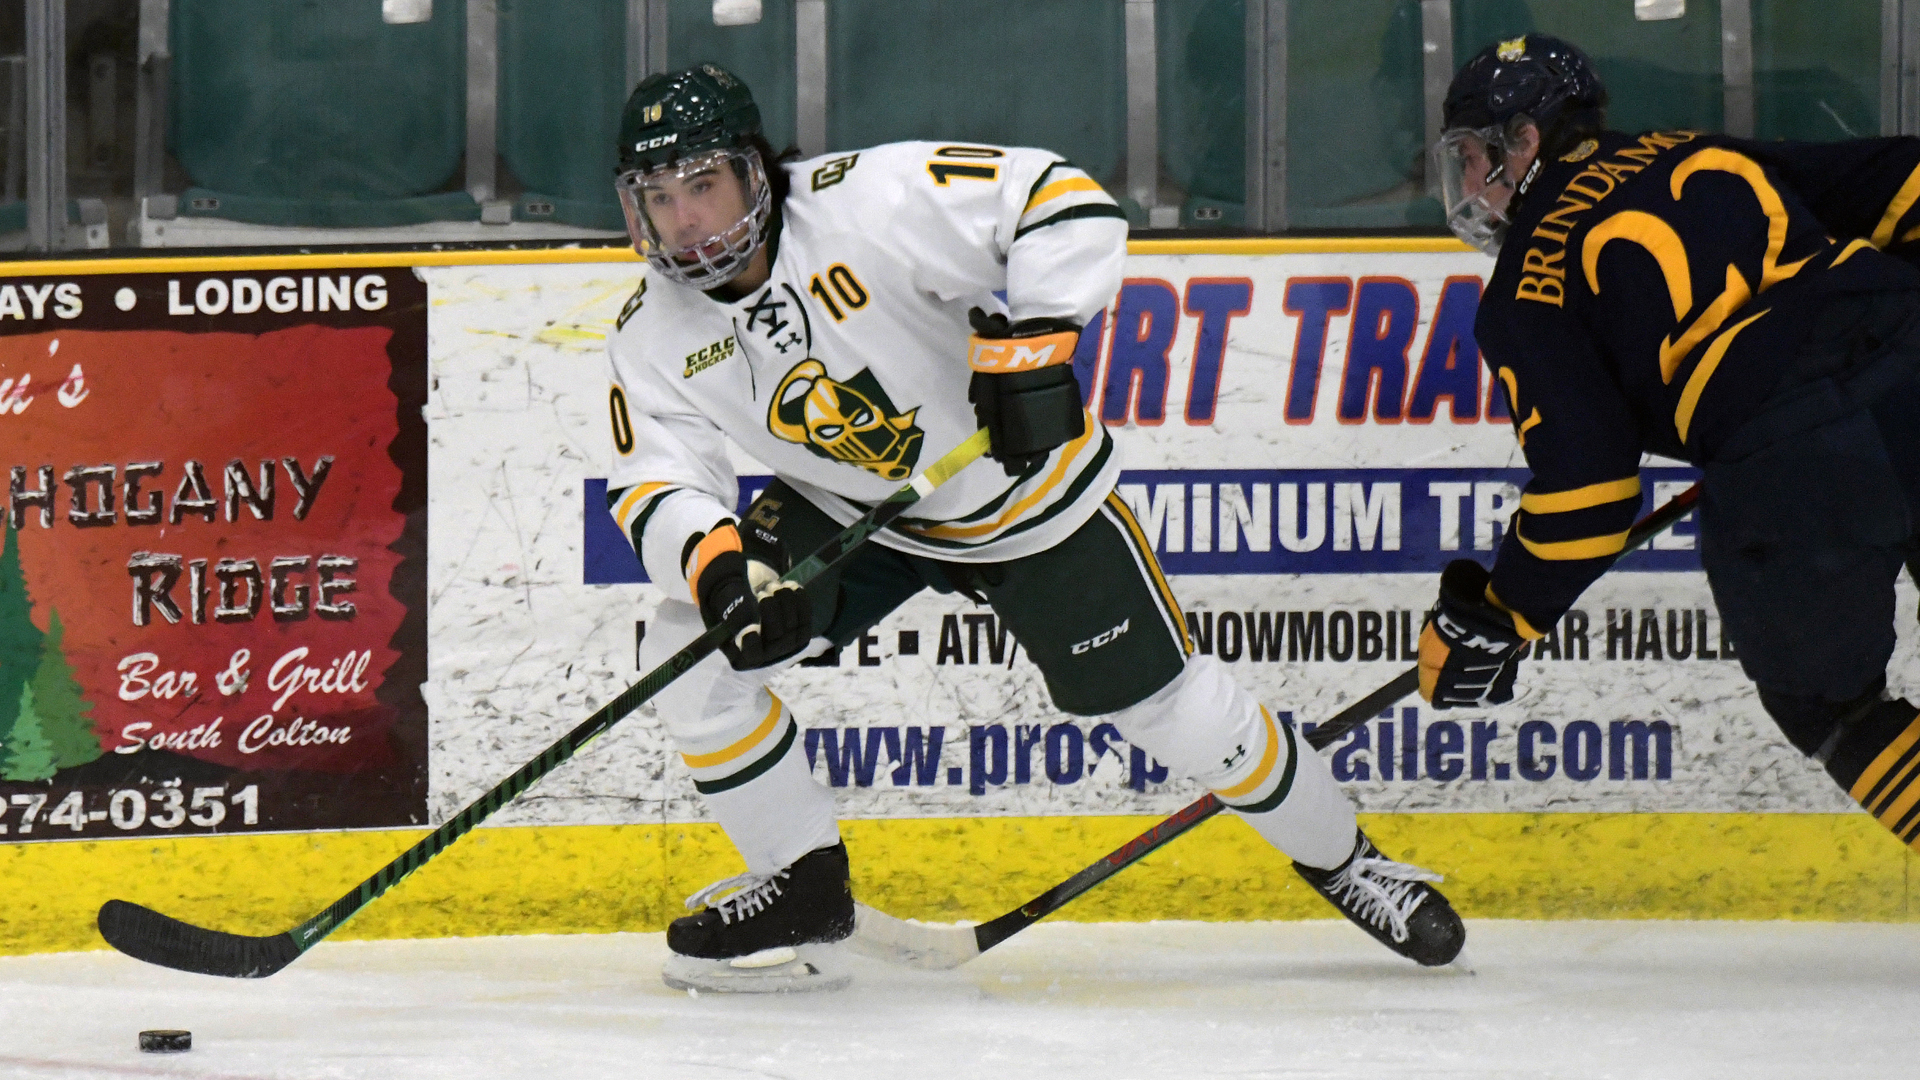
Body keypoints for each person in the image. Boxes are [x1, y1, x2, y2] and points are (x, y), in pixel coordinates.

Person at [600, 64, 1466, 991]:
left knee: (1184, 716)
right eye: (659, 197)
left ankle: (1347, 861)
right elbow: (656, 478)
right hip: (859, 513)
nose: (685, 221)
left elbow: (1058, 198)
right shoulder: (650, 330)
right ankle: (805, 886)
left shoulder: (868, 203)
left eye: (704, 185)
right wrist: (720, 574)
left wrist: (1035, 346)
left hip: (1026, 500)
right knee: (692, 647)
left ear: (755, 171)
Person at [1421, 35, 1920, 856]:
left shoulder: (1523, 290)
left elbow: (1587, 501)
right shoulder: (1695, 150)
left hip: (1789, 460)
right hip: (1906, 349)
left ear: (1527, 141)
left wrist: (1503, 615)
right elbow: (1905, 180)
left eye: (1475, 155)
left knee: (1833, 707)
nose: (1469, 183)